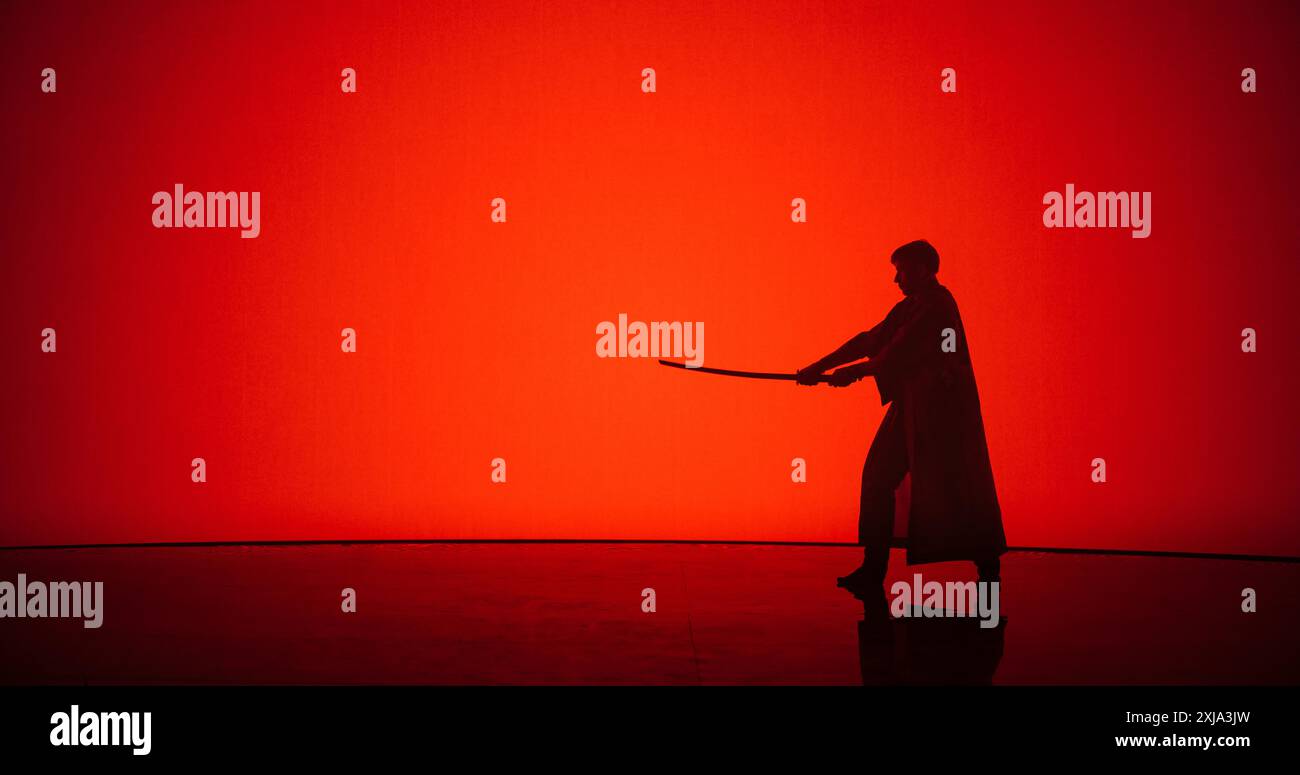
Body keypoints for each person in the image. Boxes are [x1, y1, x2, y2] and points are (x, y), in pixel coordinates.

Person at [797, 240, 1006, 589]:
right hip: (913, 407)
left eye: (901, 270)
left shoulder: (937, 306)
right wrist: (819, 366)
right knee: (880, 476)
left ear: (923, 269)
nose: (896, 279)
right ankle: (873, 568)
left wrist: (854, 373)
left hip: (943, 415)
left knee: (959, 486)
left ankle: (988, 570)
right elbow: (869, 340)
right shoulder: (911, 307)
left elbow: (895, 353)